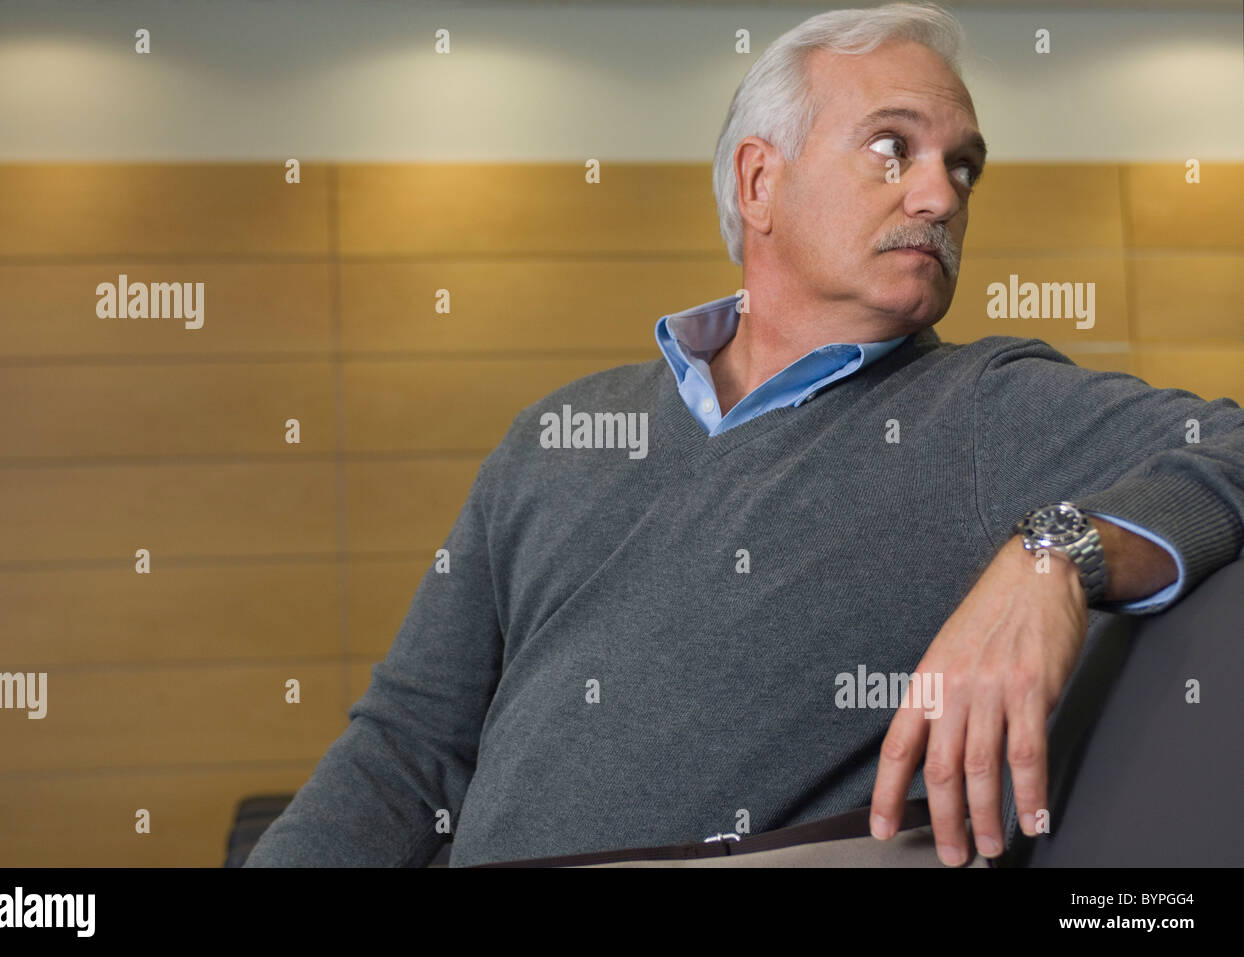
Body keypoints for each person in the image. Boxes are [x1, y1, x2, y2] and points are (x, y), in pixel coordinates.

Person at [245, 2, 1244, 868]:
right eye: (891, 148)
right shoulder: (556, 435)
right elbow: (406, 746)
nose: (940, 196)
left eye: (962, 166)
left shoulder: (986, 408)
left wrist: (1056, 552)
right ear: (759, 182)